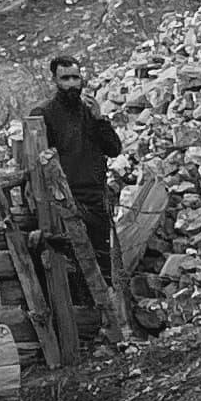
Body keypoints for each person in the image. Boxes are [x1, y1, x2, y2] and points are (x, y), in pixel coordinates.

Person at [42, 53, 123, 311]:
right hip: (64, 200)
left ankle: (106, 318)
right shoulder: (44, 114)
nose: (71, 84)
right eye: (65, 78)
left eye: (75, 77)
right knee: (73, 262)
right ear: (54, 81)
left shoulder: (91, 113)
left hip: (95, 197)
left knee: (101, 258)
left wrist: (100, 119)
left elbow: (114, 149)